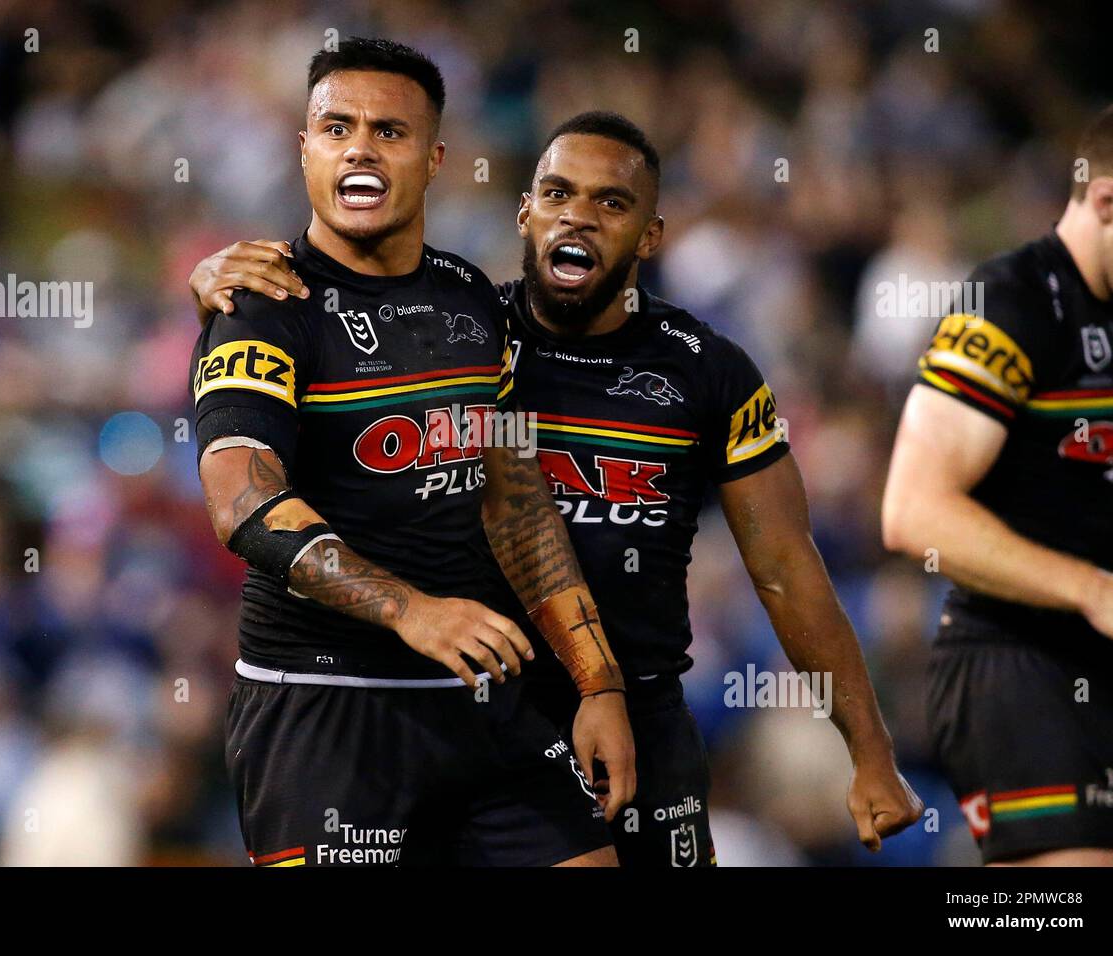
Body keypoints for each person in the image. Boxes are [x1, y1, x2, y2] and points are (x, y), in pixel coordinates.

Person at [192, 109, 922, 867]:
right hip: (480, 699)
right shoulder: (461, 329)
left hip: (637, 707)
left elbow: (785, 570)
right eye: (557, 193)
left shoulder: (711, 372)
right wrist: (214, 290)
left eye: (611, 203)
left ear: (650, 236)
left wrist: (868, 750)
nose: (578, 214)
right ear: (525, 213)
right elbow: (288, 385)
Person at [192, 38, 635, 867]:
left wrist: (596, 679)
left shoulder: (470, 297)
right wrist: (410, 611)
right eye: (336, 128)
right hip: (322, 706)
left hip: (480, 698)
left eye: (389, 133)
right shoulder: (261, 302)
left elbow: (517, 498)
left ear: (433, 160)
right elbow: (240, 501)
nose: (359, 147)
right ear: (306, 151)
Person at [883, 97, 1113, 865]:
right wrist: (1100, 591)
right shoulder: (1010, 304)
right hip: (1020, 661)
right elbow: (912, 513)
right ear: (1107, 201)